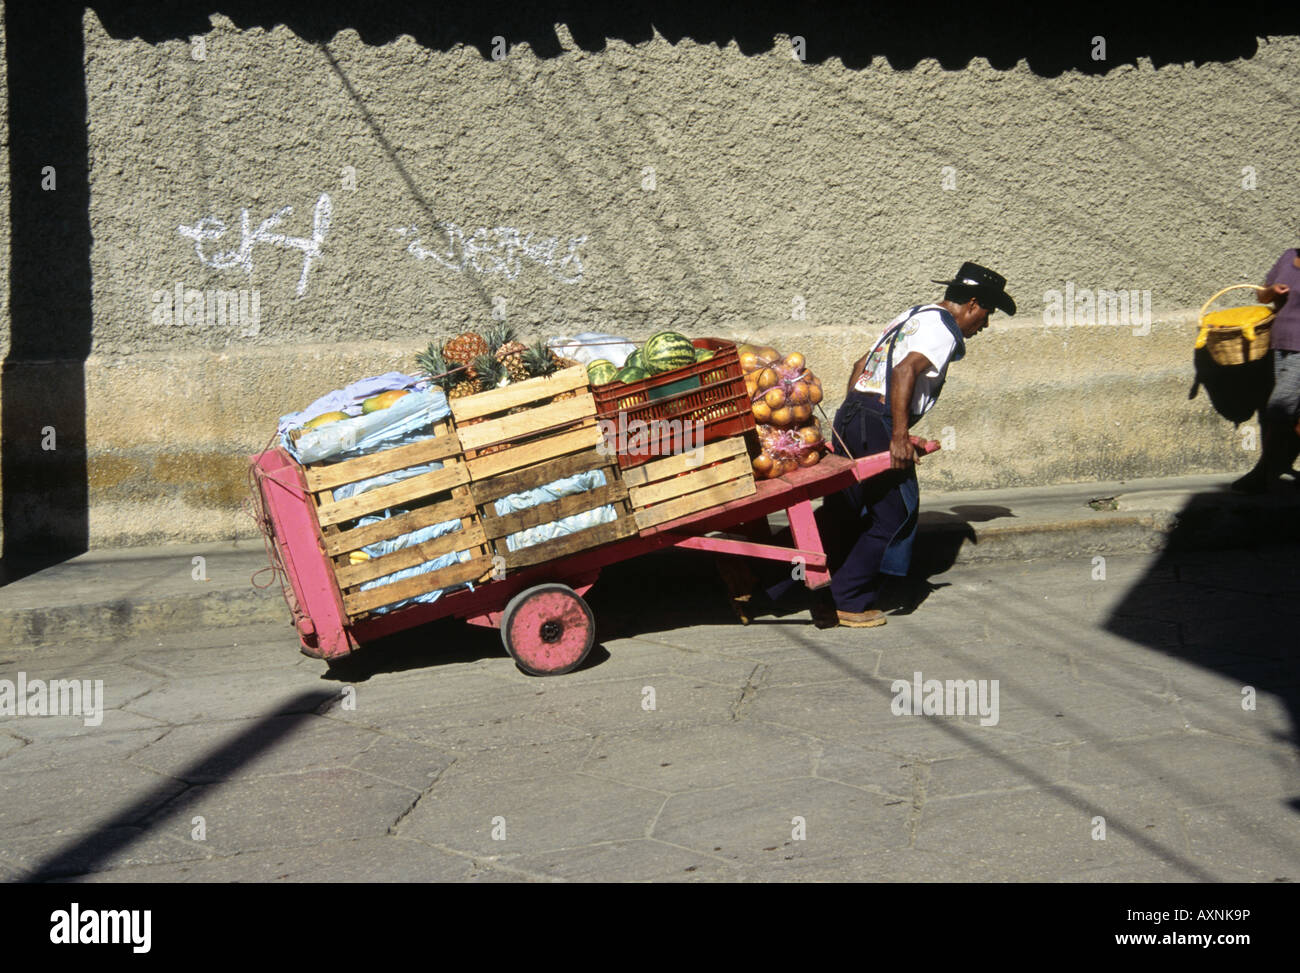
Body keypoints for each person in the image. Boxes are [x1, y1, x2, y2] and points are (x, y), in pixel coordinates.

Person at [820, 262, 1016, 627]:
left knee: (846, 510)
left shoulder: (916, 314)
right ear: (972, 304)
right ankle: (846, 599)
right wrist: (893, 434)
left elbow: (862, 362)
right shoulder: (944, 329)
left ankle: (784, 587)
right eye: (987, 315)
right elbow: (904, 371)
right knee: (894, 515)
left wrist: (862, 413)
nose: (984, 325)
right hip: (875, 420)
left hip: (854, 412)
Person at [1231, 247, 1299, 494]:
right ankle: (1276, 466)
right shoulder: (1288, 257)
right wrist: (1273, 290)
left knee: (1279, 409)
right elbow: (1262, 296)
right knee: (1292, 413)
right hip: (1280, 344)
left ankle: (1263, 473)